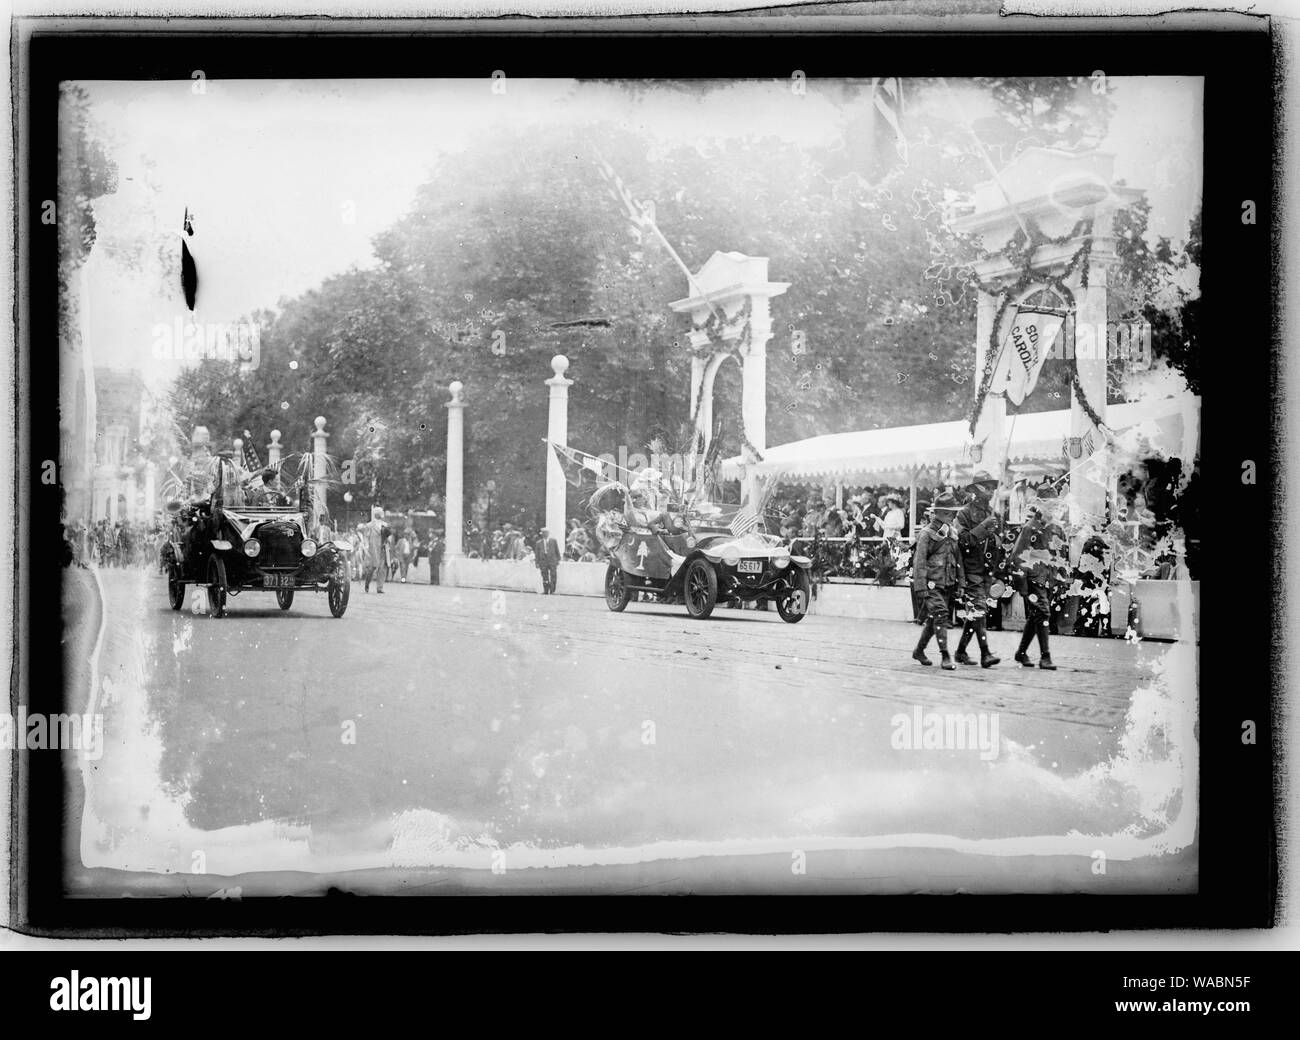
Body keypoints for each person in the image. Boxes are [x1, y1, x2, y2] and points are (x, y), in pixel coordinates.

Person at [1009, 485, 1069, 669]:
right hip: (1033, 577)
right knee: (1043, 612)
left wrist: (1063, 578)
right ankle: (1046, 657)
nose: (1052, 508)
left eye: (1054, 504)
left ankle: (1021, 653)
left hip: (1049, 578)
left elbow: (1062, 554)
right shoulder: (1030, 528)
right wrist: (1022, 585)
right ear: (1040, 505)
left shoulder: (1057, 528)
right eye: (1048, 504)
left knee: (1037, 615)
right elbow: (1017, 557)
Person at [953, 470, 1003, 668]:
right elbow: (963, 541)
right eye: (986, 487)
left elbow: (1001, 544)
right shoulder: (964, 513)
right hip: (970, 569)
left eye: (992, 488)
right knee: (979, 610)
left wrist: (996, 538)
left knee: (976, 611)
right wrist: (983, 527)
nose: (991, 491)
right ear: (975, 490)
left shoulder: (995, 515)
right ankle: (985, 653)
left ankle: (960, 651)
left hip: (987, 570)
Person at [911, 490, 964, 670]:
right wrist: (921, 587)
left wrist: (961, 583)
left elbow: (958, 561)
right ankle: (945, 655)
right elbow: (919, 561)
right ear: (938, 513)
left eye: (953, 513)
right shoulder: (927, 533)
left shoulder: (952, 532)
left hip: (947, 582)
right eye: (948, 513)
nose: (952, 516)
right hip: (931, 583)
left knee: (934, 619)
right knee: (941, 615)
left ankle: (919, 650)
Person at [359, 506, 391, 594]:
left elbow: (388, 536)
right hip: (374, 548)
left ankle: (379, 587)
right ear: (377, 514)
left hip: (383, 548)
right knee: (373, 567)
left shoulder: (385, 524)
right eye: (380, 512)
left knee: (382, 568)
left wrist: (388, 543)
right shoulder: (371, 524)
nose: (382, 514)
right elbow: (363, 531)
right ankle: (367, 582)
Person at [534, 526, 561, 594]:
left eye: (545, 533)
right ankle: (546, 590)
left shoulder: (553, 541)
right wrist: (537, 563)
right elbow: (537, 554)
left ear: (548, 533)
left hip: (552, 560)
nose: (544, 534)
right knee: (544, 575)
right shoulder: (538, 543)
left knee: (553, 575)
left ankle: (552, 590)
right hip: (543, 560)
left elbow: (557, 550)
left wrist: (558, 559)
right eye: (543, 533)